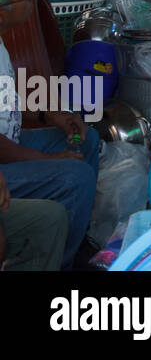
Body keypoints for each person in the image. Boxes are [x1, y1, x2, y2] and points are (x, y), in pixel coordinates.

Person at [0, 37, 98, 270]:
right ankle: (61, 264)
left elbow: (5, 102)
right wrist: (47, 160)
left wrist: (47, 114)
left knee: (88, 140)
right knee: (75, 177)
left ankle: (78, 246)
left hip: (11, 139)